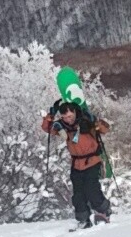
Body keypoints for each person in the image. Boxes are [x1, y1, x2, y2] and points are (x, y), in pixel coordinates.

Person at [44, 98, 112, 229]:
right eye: (64, 117)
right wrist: (50, 116)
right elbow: (47, 129)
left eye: (70, 116)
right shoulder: (62, 126)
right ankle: (83, 219)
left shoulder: (86, 120)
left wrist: (96, 121)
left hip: (92, 160)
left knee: (92, 189)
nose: (68, 119)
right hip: (76, 163)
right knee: (78, 193)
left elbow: (105, 129)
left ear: (75, 112)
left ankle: (104, 211)